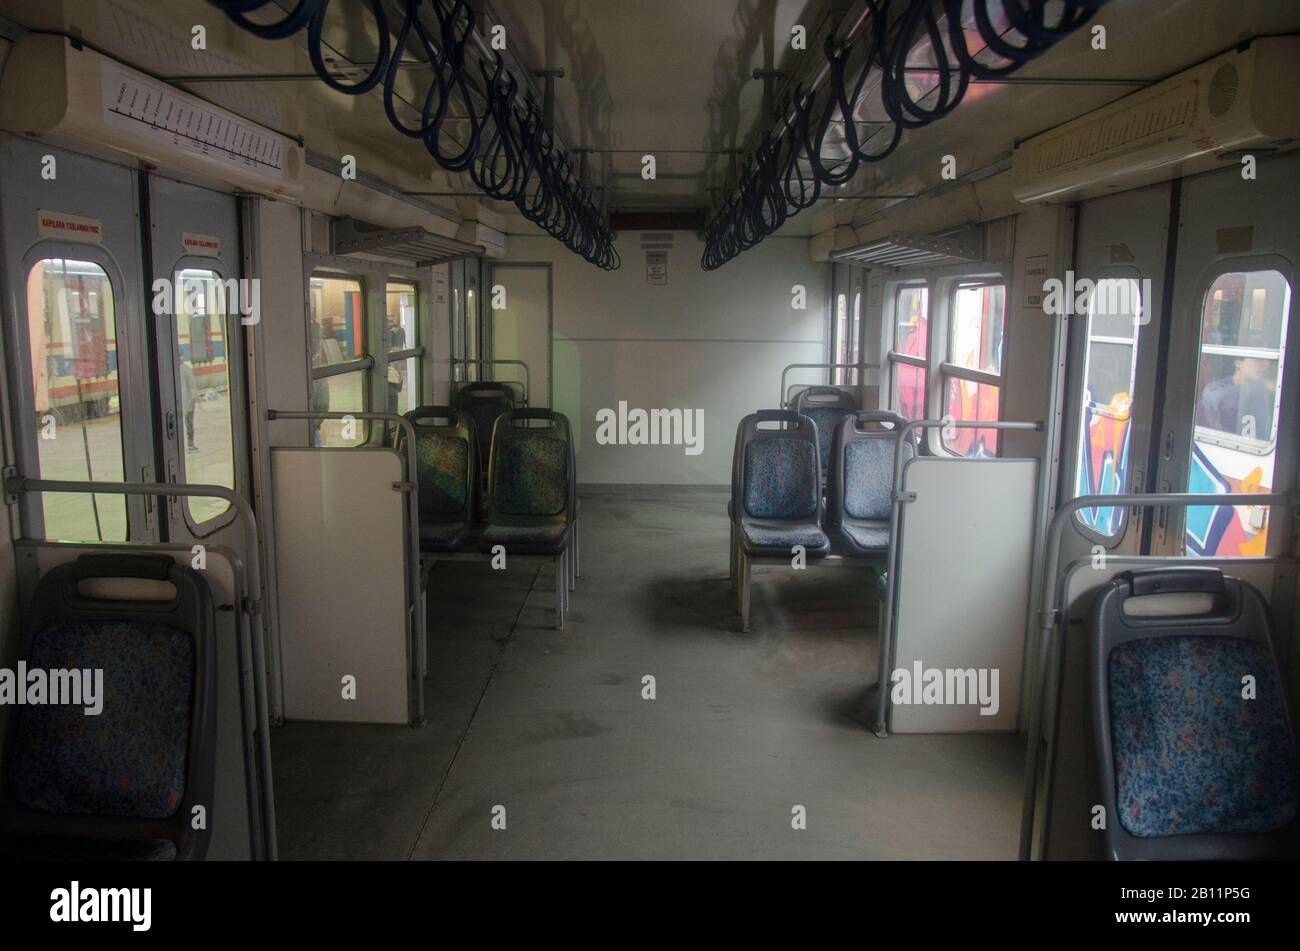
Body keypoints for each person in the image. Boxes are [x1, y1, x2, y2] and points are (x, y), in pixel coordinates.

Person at [1196, 356, 1275, 438]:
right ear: (1238, 363)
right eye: (1258, 359)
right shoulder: (1215, 391)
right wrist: (1264, 386)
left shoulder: (1263, 393)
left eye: (1267, 360)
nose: (1266, 364)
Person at [180, 359, 198, 453]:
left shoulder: (173, 369)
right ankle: (190, 445)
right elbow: (192, 385)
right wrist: (197, 398)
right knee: (189, 424)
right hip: (188, 402)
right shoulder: (186, 368)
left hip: (180, 402)